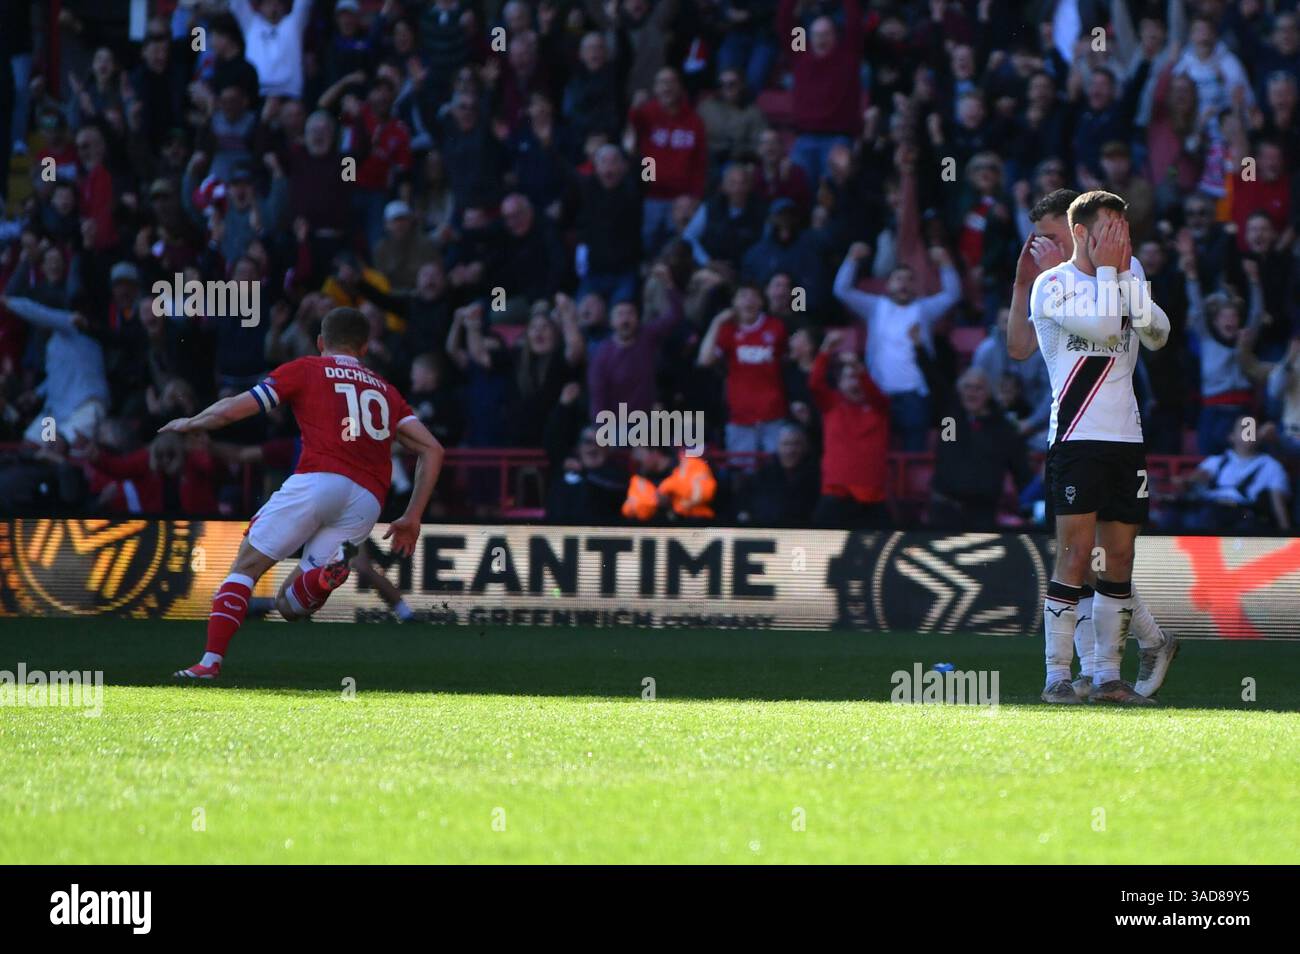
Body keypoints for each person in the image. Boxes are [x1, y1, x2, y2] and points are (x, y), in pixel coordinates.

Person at [161, 307, 444, 680]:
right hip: (367, 501)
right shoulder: (385, 390)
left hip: (318, 479)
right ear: (364, 346)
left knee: (245, 567)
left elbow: (233, 410)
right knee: (291, 605)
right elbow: (433, 449)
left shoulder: (307, 368)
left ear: (321, 342)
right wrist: (412, 516)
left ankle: (209, 662)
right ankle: (323, 576)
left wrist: (192, 421)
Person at [1028, 191, 1173, 706]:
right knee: (1074, 555)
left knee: (1120, 557)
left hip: (1126, 439)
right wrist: (1117, 275)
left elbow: (1158, 334)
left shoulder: (1127, 273)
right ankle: (1056, 677)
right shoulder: (1052, 284)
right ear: (1083, 234)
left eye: (1125, 230)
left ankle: (1109, 678)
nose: (1122, 239)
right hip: (1076, 437)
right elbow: (1105, 328)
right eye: (1111, 229)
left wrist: (1130, 280)